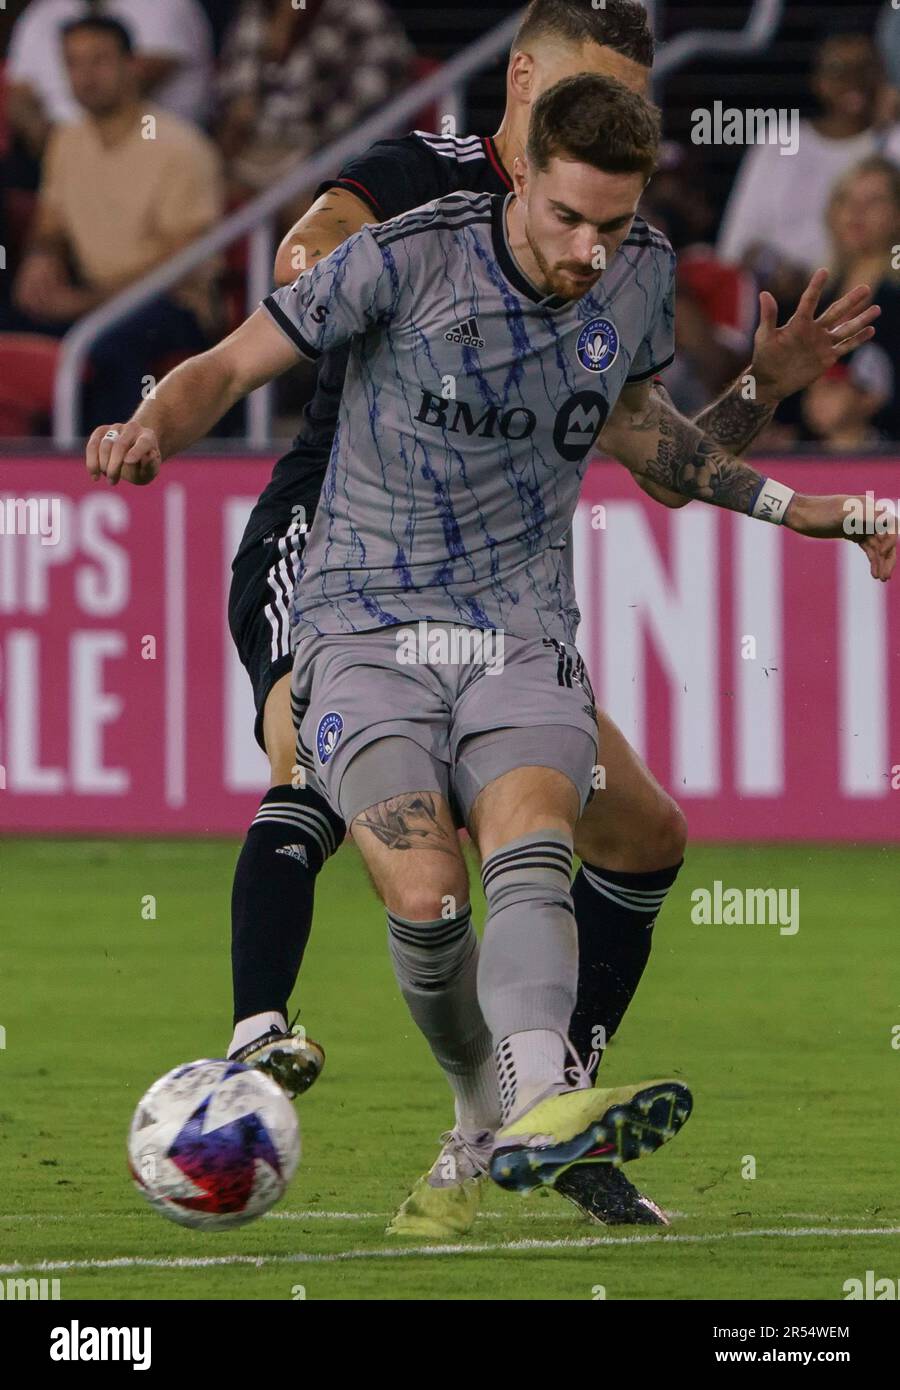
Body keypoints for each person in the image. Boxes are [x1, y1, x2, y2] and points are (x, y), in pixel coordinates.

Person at [85, 71, 893, 1223]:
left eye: (611, 227)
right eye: (567, 219)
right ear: (523, 180)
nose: (587, 250)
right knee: (423, 894)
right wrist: (146, 426)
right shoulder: (405, 255)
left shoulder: (642, 276)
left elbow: (650, 442)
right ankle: (481, 1110)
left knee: (534, 831)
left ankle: (542, 1096)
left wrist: (800, 504)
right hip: (361, 616)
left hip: (518, 624)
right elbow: (224, 365)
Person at [3, 16, 223, 430]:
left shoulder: (180, 146)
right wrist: (40, 257)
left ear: (132, 65)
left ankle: (113, 473)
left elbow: (182, 263)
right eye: (74, 63)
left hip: (175, 306)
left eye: (99, 61)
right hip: (92, 297)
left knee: (108, 348)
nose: (86, 77)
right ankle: (29, 470)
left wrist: (86, 304)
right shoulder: (67, 139)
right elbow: (50, 226)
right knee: (14, 322)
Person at [717, 33, 900, 298]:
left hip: (869, 293)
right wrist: (774, 270)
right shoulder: (781, 140)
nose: (853, 78)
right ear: (818, 81)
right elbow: (736, 246)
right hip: (779, 300)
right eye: (838, 69)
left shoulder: (894, 141)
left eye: (866, 68)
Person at [215, 0, 412, 199]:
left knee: (307, 201)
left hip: (329, 154)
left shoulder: (363, 15)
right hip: (253, 151)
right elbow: (236, 101)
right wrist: (281, 31)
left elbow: (367, 101)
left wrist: (295, 150)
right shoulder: (257, 9)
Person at [5, 0, 214, 155]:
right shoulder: (44, 11)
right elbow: (17, 92)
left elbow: (127, 86)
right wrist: (49, 141)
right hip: (52, 146)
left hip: (148, 141)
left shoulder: (167, 5)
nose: (85, 75)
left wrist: (73, 141)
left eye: (99, 60)